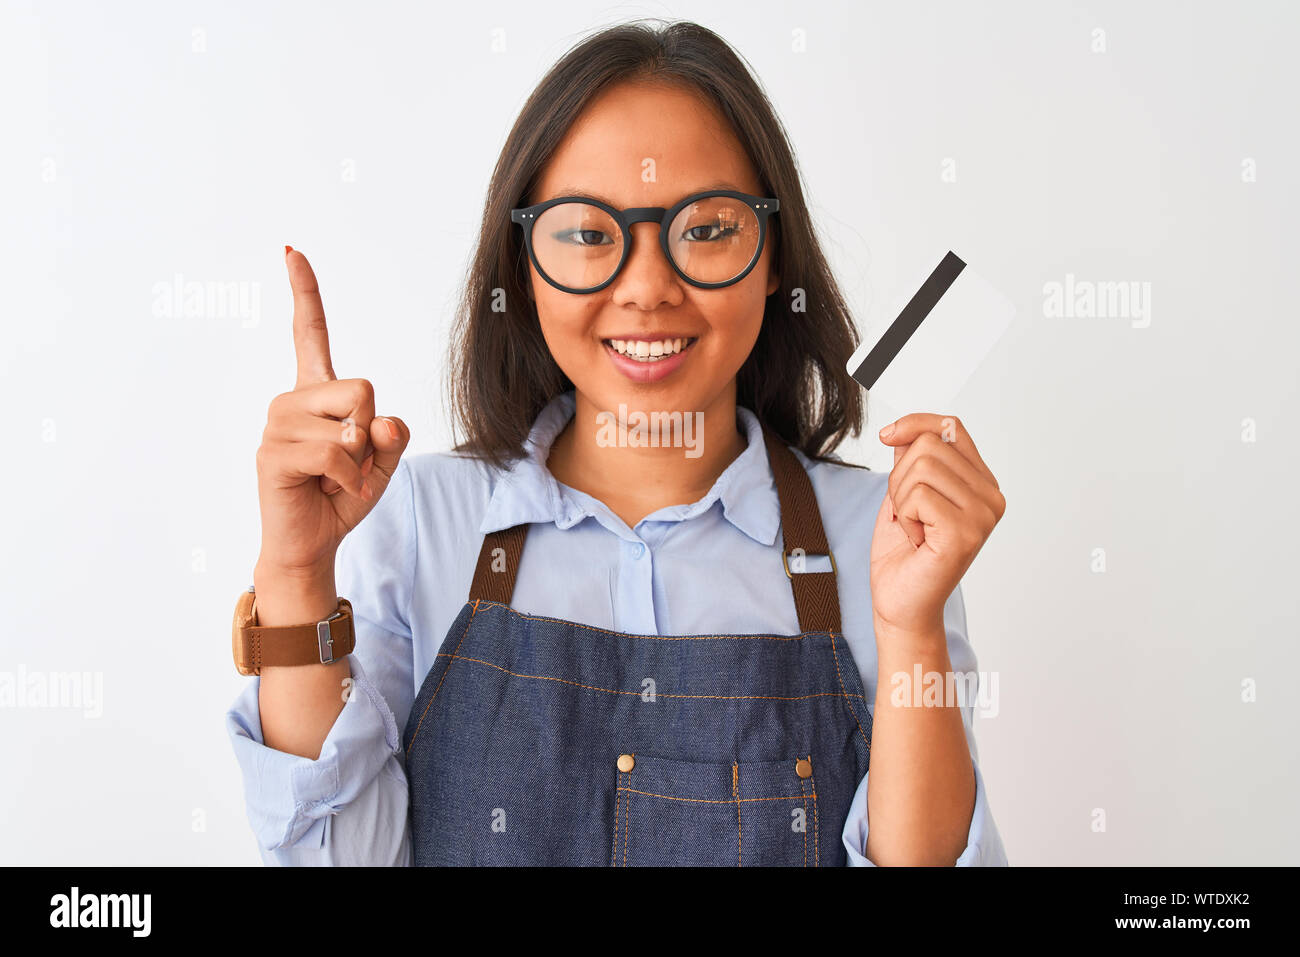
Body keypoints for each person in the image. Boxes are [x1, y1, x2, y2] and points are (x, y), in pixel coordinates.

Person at [226, 19, 1008, 866]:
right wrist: (297, 576)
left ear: (774, 254)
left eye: (707, 228)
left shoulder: (882, 537)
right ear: (523, 264)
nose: (646, 289)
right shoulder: (419, 519)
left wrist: (914, 624)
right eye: (590, 233)